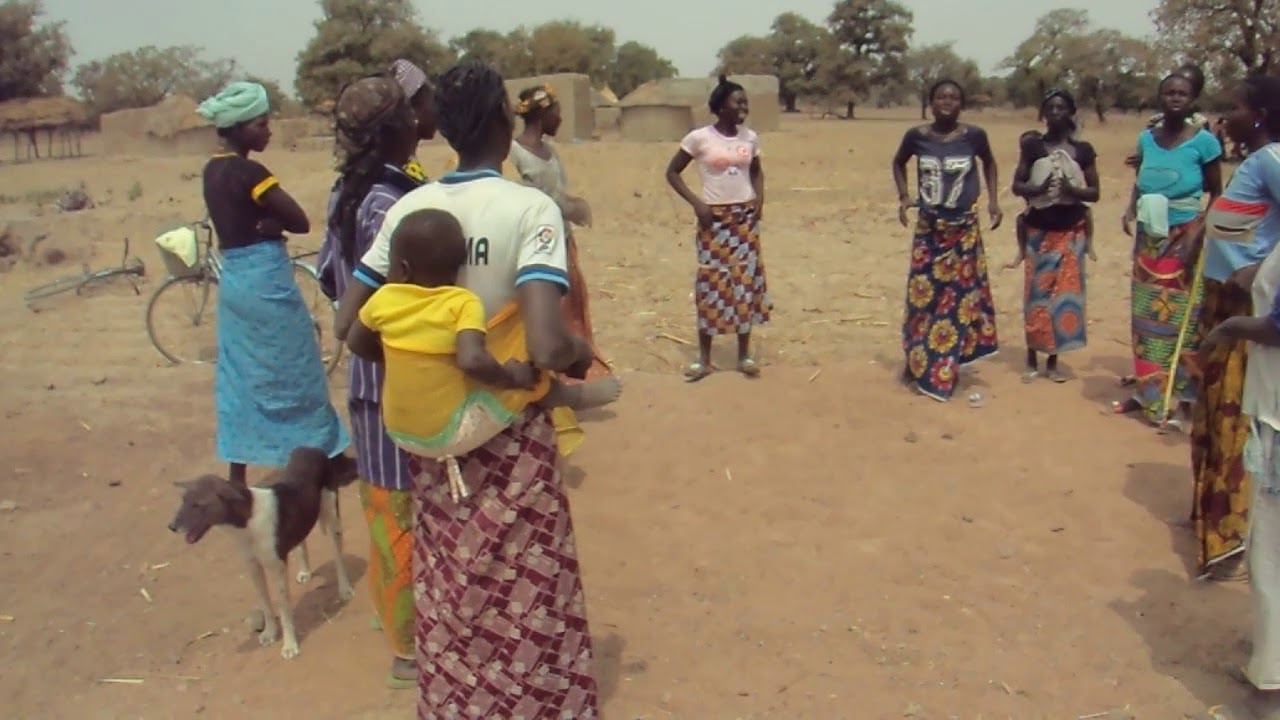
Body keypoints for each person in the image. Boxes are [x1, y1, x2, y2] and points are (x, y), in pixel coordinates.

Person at [333, 59, 604, 719]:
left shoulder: (412, 208)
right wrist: (578, 358)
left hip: (435, 443)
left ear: (447, 129)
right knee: (528, 586)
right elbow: (546, 344)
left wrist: (427, 353)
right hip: (509, 433)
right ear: (504, 123)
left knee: (456, 583)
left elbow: (351, 326)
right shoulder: (528, 208)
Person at [346, 208, 621, 476]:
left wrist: (401, 359)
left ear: (402, 269)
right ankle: (559, 395)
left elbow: (356, 342)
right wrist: (511, 378)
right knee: (519, 334)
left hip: (396, 430)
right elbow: (472, 360)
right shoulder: (462, 302)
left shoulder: (383, 299)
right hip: (448, 433)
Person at [314, 75, 421, 689]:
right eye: (407, 113)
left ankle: (400, 631)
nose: (416, 121)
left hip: (365, 373)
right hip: (399, 371)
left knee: (386, 506)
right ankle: (411, 648)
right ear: (391, 129)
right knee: (407, 508)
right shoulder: (390, 203)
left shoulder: (346, 194)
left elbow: (332, 279)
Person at [196, 81, 349, 486]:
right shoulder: (251, 173)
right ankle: (329, 458)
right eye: (261, 124)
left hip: (235, 282)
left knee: (242, 376)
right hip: (266, 280)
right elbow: (300, 221)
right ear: (239, 127)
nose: (268, 131)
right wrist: (273, 225)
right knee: (298, 366)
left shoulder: (211, 171)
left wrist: (264, 223)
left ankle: (238, 471)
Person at [1191, 74, 1280, 720]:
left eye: (1239, 106)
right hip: (1248, 326)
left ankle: (1269, 685)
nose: (1229, 115)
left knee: (1271, 546)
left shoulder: (1273, 161)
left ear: (1264, 113)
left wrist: (1236, 322)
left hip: (1268, 375)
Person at [1115, 73, 1223, 426]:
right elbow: (1142, 180)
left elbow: (1216, 195)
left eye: (1182, 93)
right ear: (1159, 97)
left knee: (1184, 318)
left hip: (1186, 236)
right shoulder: (1146, 138)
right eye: (1169, 92)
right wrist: (1130, 209)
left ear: (1192, 100)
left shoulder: (1205, 143)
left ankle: (1185, 400)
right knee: (1146, 316)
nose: (1175, 98)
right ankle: (1148, 393)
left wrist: (1197, 234)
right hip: (1149, 236)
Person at [890, 79, 1002, 402]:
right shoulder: (916, 137)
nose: (947, 102)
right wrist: (904, 197)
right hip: (929, 230)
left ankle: (945, 366)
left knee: (959, 299)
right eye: (941, 97)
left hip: (963, 230)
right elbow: (898, 162)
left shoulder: (974, 136)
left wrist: (993, 202)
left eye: (953, 97)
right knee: (922, 297)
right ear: (931, 102)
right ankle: (915, 361)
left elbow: (990, 163)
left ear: (961, 104)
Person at [665, 74, 771, 382]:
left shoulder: (750, 138)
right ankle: (705, 359)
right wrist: (697, 204)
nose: (744, 107)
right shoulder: (699, 138)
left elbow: (757, 172)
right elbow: (672, 172)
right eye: (738, 102)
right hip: (713, 220)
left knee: (744, 282)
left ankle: (744, 356)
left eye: (746, 103)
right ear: (721, 106)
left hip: (744, 219)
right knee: (711, 285)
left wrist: (759, 201)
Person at [509, 83, 611, 380]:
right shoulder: (515, 154)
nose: (561, 118)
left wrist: (574, 207)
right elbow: (525, 199)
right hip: (534, 245)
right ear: (542, 116)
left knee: (570, 303)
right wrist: (568, 208)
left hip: (561, 241)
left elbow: (558, 193)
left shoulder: (550, 153)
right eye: (556, 112)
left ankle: (571, 366)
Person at [1005, 89, 1100, 383]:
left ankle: (1053, 360)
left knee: (1063, 299)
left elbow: (1095, 193)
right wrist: (1038, 189)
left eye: (1061, 107)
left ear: (1071, 112)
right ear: (1043, 113)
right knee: (1036, 297)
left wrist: (1072, 191)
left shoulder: (1082, 151)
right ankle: (1032, 357)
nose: (1055, 113)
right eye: (1050, 108)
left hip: (1070, 233)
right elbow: (1017, 185)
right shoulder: (1033, 146)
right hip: (1039, 231)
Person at [1124, 63, 1212, 169]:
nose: (1176, 97)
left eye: (1183, 92)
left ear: (1194, 95)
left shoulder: (1200, 125)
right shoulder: (1155, 122)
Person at [390, 58, 436, 183]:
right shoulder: (401, 177)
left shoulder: (396, 165)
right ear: (412, 111)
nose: (436, 108)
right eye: (431, 99)